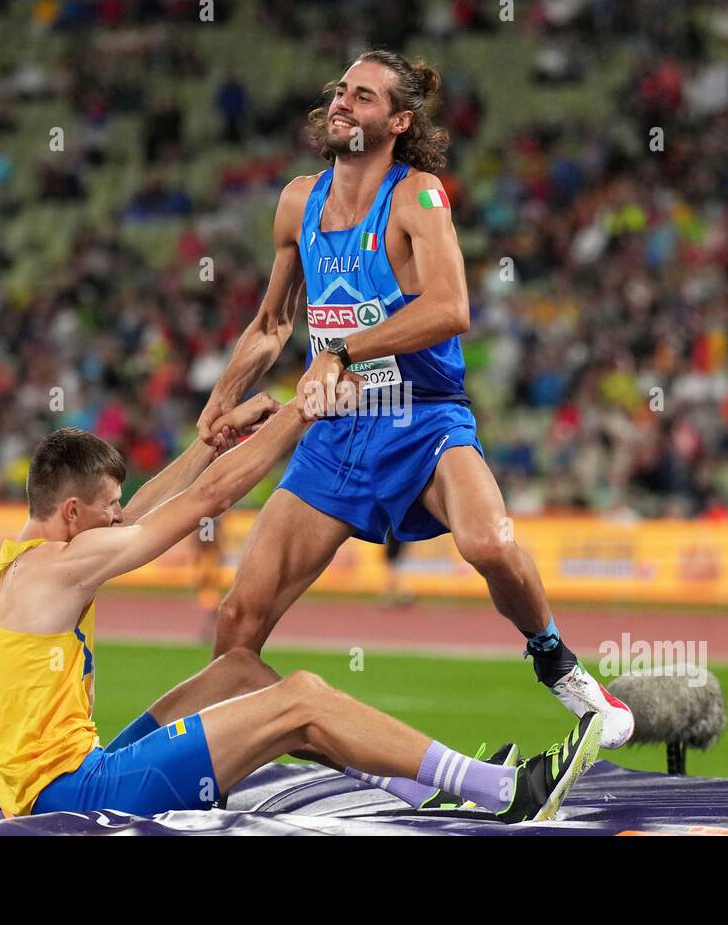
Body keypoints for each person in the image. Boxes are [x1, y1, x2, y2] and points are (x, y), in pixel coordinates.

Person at [196, 49, 634, 756]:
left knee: (489, 543)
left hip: (422, 418)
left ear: (398, 121)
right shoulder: (295, 201)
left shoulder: (418, 195)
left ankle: (560, 665)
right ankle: (291, 753)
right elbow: (275, 323)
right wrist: (220, 399)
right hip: (335, 433)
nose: (342, 102)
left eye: (363, 97)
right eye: (340, 90)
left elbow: (451, 307)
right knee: (237, 620)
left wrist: (341, 352)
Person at [0, 395, 602, 823]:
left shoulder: (13, 570)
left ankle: (417, 786)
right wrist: (303, 411)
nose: (119, 515)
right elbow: (206, 501)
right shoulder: (61, 567)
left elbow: (140, 515)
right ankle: (499, 793)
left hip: (53, 786)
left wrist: (209, 442)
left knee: (238, 670)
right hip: (79, 797)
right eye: (107, 507)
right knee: (301, 697)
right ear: (73, 515)